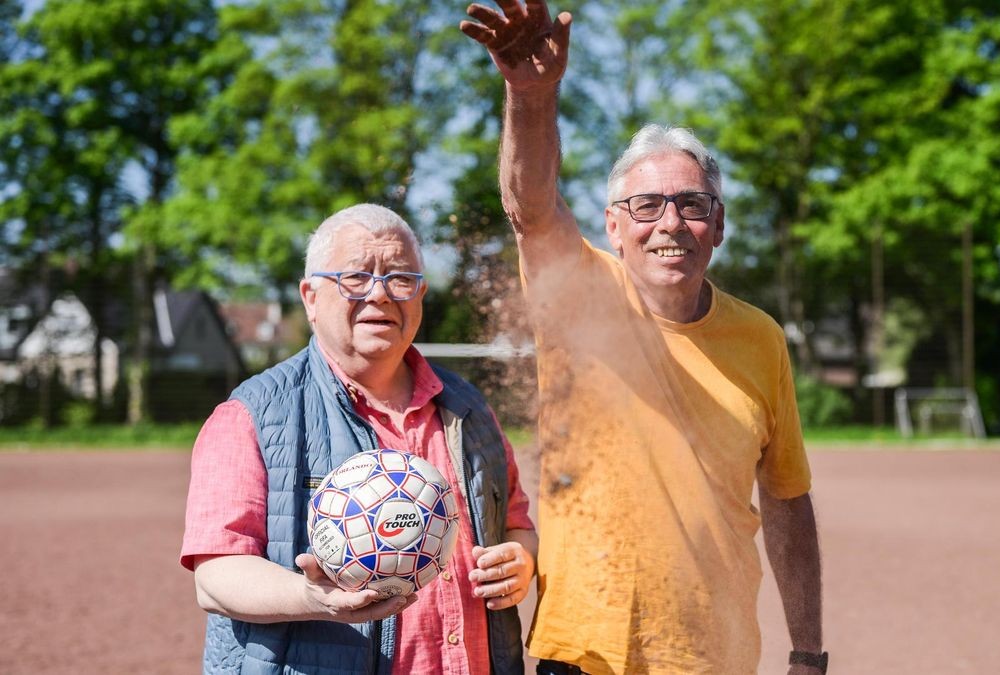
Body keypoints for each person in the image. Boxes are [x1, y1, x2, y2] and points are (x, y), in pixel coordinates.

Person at [461, 2, 826, 674]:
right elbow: (529, 202)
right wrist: (532, 95)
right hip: (583, 656)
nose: (670, 222)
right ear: (613, 225)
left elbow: (785, 495)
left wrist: (807, 649)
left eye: (692, 204)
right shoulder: (579, 294)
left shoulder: (760, 337)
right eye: (646, 205)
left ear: (717, 226)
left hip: (716, 656)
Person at [180, 203, 538, 675]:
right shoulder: (252, 414)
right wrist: (313, 597)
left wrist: (520, 559)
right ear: (310, 297)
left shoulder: (468, 408)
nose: (381, 294)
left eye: (400, 278)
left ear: (420, 296)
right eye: (356, 277)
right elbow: (216, 576)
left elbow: (515, 522)